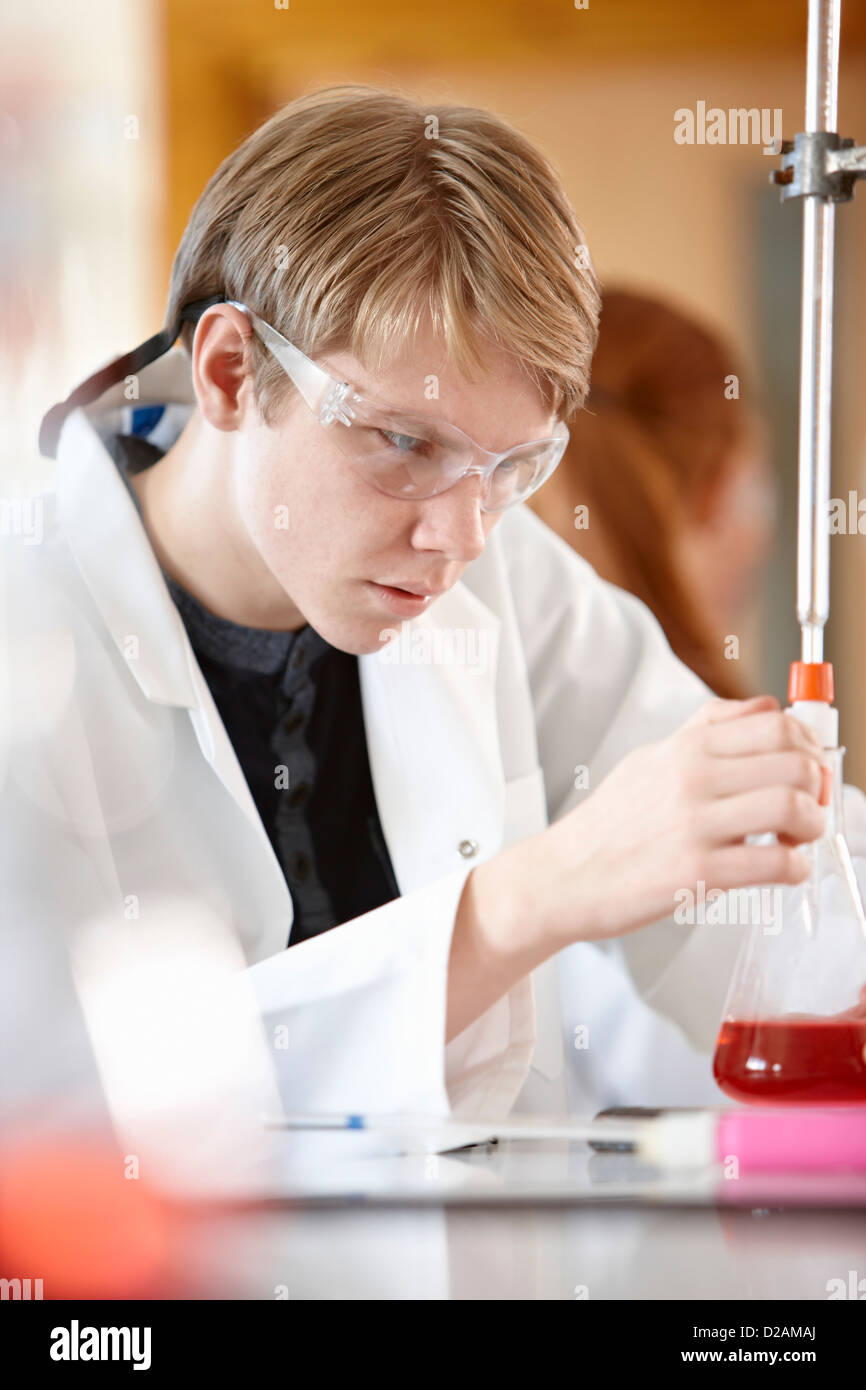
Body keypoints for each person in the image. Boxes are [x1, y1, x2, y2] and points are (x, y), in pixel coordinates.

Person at [5, 84, 861, 1127]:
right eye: (405, 445)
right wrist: (523, 903)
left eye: (513, 465)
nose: (460, 537)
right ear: (230, 371)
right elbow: (64, 1112)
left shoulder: (503, 571)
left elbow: (768, 892)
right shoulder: (29, 636)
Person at [528, 287, 776, 700]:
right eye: (759, 499)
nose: (762, 542)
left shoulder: (478, 685)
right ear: (716, 495)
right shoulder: (724, 740)